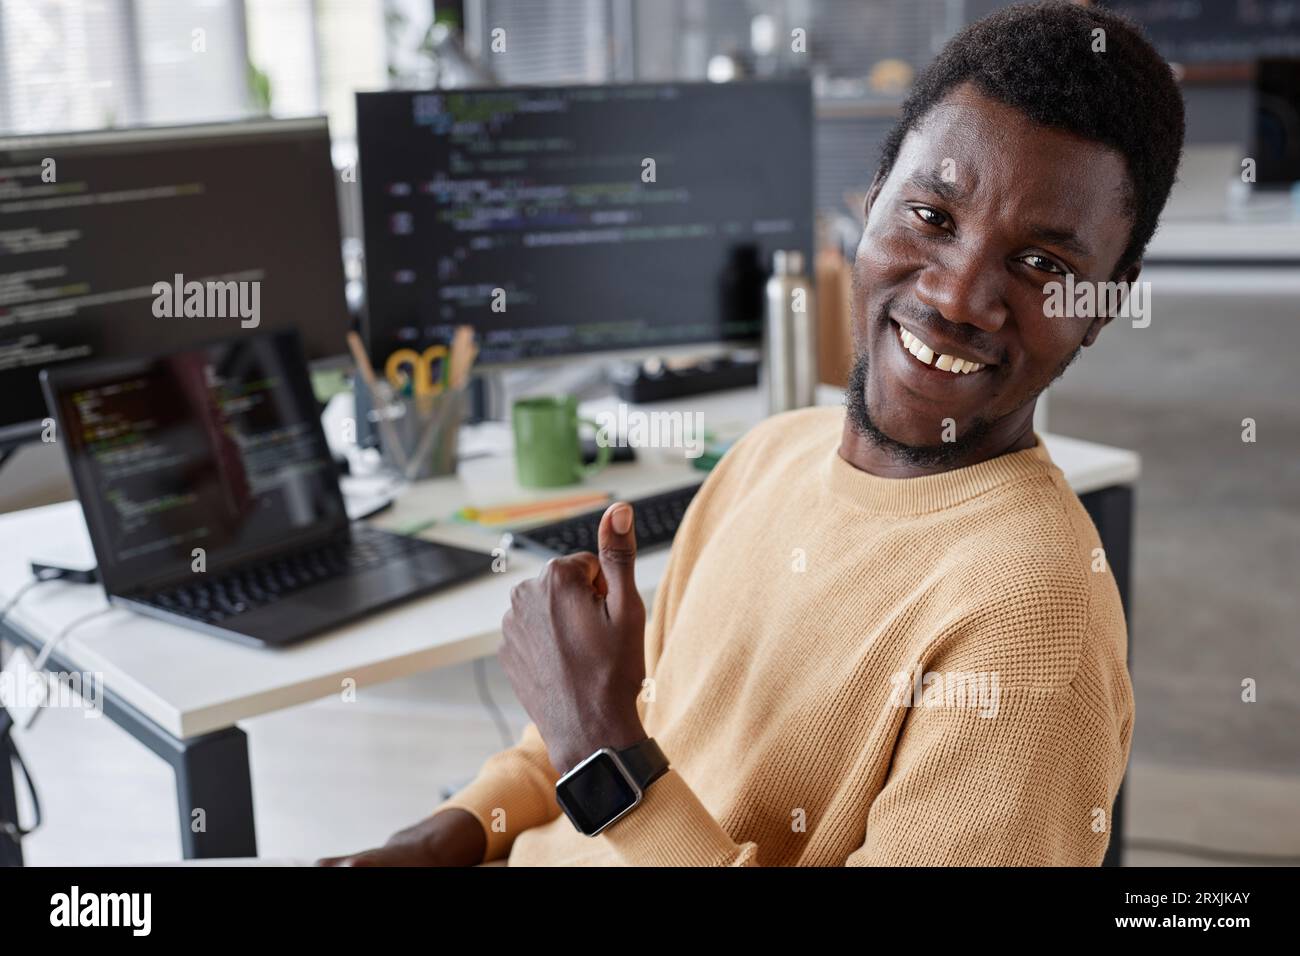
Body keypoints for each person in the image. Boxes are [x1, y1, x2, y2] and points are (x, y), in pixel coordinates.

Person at [320, 1, 1183, 867]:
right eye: (931, 216)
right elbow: (604, 737)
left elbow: (603, 746)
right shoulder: (770, 455)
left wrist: (601, 753)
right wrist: (446, 834)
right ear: (871, 197)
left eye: (1043, 265)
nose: (959, 297)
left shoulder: (1035, 628)